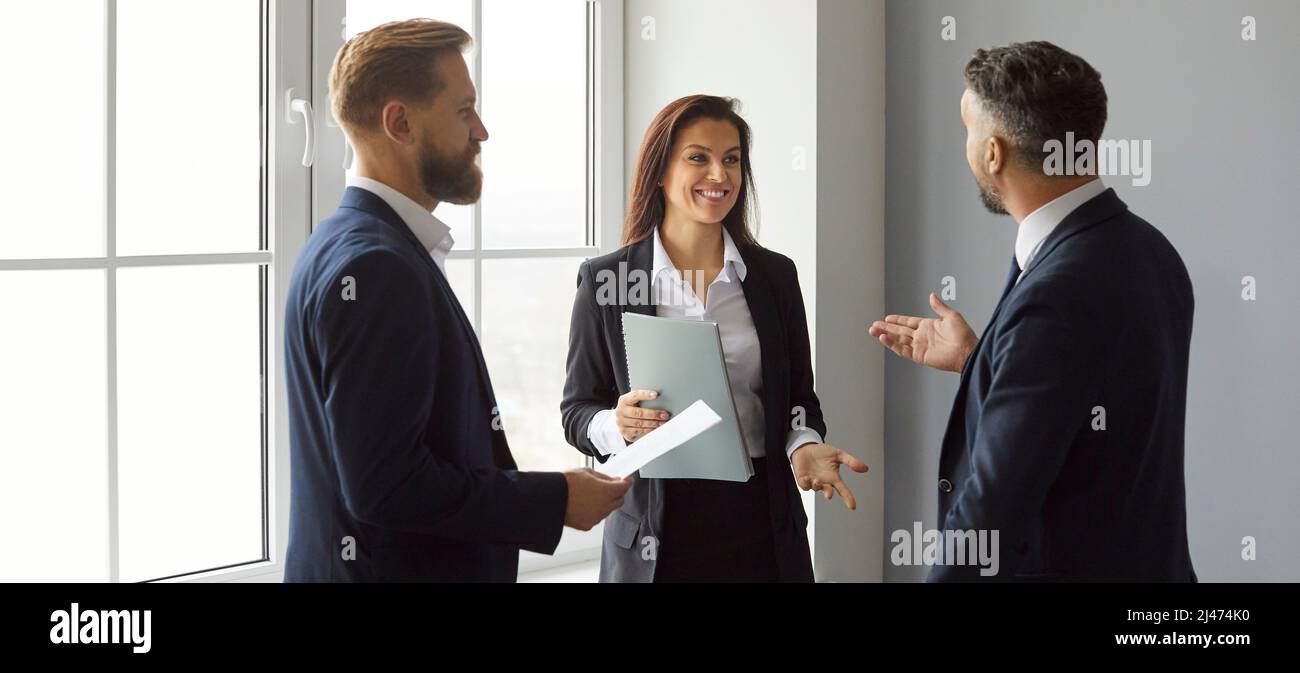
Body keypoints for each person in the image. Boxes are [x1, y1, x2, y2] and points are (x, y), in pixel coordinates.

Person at [283, 18, 630, 582]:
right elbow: (386, 486)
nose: (482, 131)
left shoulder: (342, 243)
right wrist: (555, 500)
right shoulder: (377, 268)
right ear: (401, 123)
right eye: (464, 110)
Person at [869, 41, 1196, 582]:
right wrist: (981, 361)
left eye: (968, 130)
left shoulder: (1056, 291)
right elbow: (1083, 399)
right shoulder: (1150, 249)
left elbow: (993, 509)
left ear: (993, 153)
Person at [562, 95, 868, 582]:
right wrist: (617, 423)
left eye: (731, 159)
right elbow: (577, 412)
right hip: (653, 535)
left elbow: (798, 401)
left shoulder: (773, 277)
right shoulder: (607, 280)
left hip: (760, 526)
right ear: (660, 171)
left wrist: (804, 444)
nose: (719, 176)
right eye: (698, 157)